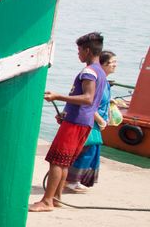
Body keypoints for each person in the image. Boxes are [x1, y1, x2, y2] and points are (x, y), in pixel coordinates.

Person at [30, 32, 107, 212]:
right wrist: (66, 112)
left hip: (76, 123)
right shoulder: (100, 72)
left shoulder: (88, 72)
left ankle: (47, 201)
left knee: (56, 161)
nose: (78, 54)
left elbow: (88, 98)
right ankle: (56, 198)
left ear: (87, 50)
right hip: (82, 121)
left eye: (79, 50)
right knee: (64, 161)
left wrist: (58, 95)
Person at [66, 51, 118, 192]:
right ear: (102, 64)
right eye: (111, 63)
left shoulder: (105, 82)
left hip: (96, 121)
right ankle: (72, 179)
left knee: (92, 150)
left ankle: (79, 179)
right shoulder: (95, 79)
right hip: (91, 121)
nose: (115, 65)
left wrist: (111, 101)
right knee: (86, 149)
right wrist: (101, 120)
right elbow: (90, 103)